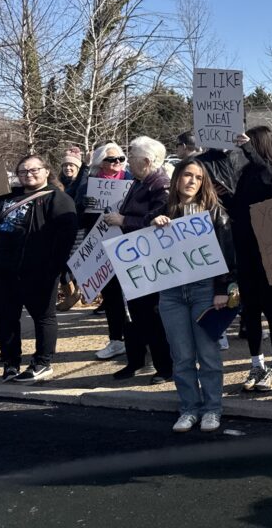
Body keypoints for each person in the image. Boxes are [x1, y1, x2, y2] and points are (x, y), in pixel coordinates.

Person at [151, 158, 236, 433]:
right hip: (171, 292)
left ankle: (212, 409)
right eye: (187, 175)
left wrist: (222, 290)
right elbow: (142, 239)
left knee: (208, 354)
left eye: (198, 178)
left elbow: (227, 253)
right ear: (176, 178)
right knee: (182, 356)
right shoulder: (163, 209)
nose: (192, 181)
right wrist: (152, 223)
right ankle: (189, 408)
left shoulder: (215, 212)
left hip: (205, 290)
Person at [0, 156, 78, 382]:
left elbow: (66, 237)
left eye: (34, 169)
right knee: (5, 318)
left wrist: (55, 268)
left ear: (46, 171)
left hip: (38, 271)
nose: (28, 174)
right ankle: (10, 362)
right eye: (22, 171)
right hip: (3, 271)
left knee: (43, 317)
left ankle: (42, 363)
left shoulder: (57, 198)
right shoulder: (5, 197)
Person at [230, 126, 272, 392]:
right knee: (251, 310)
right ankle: (256, 364)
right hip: (246, 251)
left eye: (251, 145)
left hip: (270, 252)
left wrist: (250, 153)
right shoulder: (245, 172)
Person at [103, 136, 174, 384]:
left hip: (149, 261)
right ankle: (135, 361)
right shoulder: (139, 182)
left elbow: (159, 221)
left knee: (151, 316)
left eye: (130, 156)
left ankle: (165, 367)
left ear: (145, 161)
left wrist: (124, 221)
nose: (127, 161)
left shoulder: (161, 185)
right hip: (132, 258)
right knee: (133, 314)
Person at [76, 143, 132, 359]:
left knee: (136, 295)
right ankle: (116, 340)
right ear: (100, 162)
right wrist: (84, 205)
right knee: (112, 295)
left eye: (121, 158)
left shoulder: (132, 181)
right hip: (102, 248)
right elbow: (78, 220)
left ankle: (140, 340)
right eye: (111, 159)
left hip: (128, 243)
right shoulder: (88, 185)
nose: (117, 162)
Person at [56, 146, 87, 312]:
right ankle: (72, 295)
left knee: (77, 262)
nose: (68, 168)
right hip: (62, 229)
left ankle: (79, 294)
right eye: (65, 165)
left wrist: (85, 168)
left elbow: (80, 189)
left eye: (72, 166)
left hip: (79, 228)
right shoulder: (59, 183)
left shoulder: (82, 184)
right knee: (63, 264)